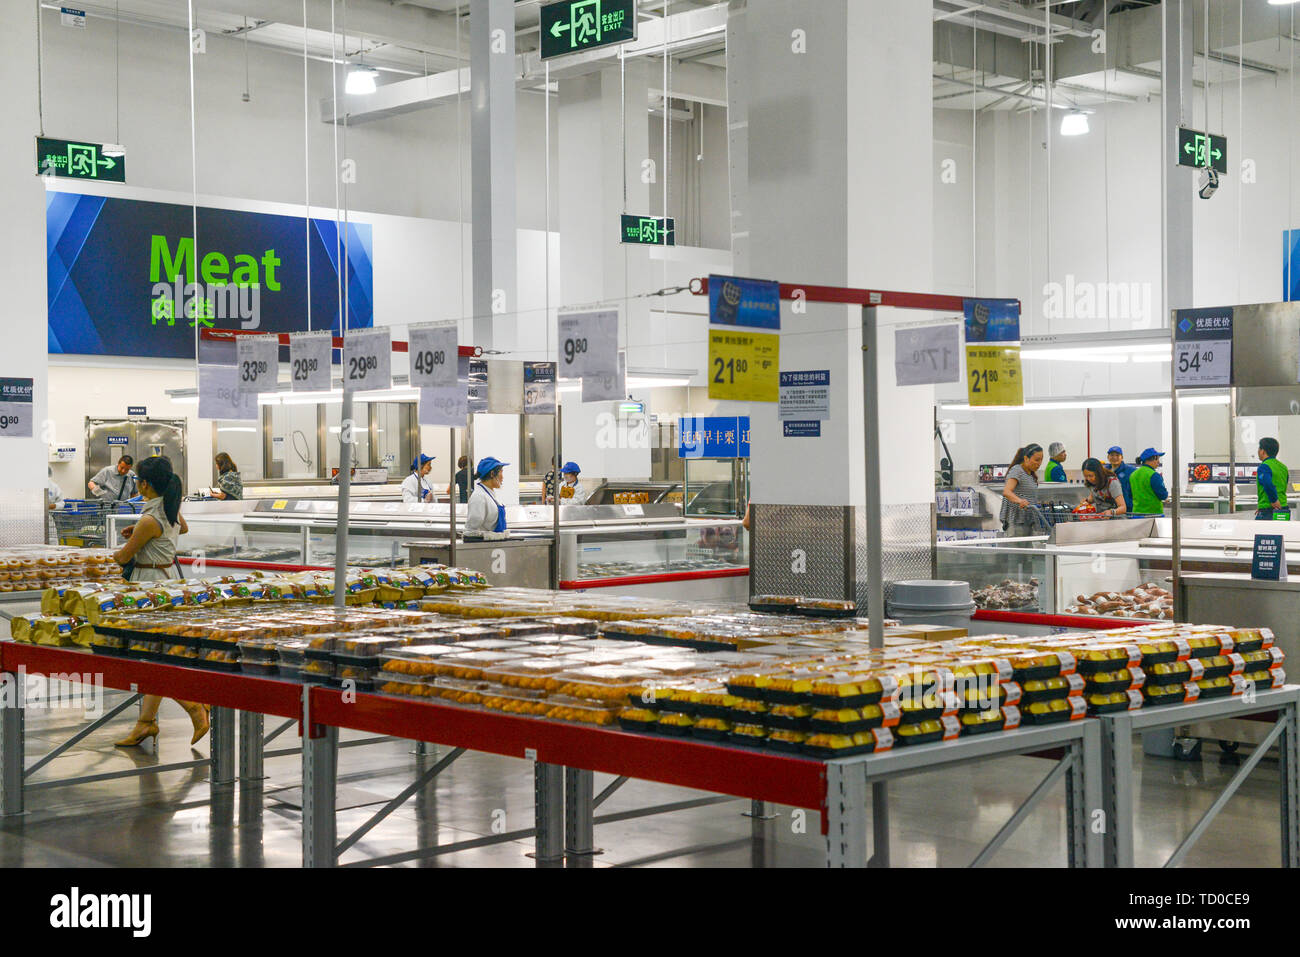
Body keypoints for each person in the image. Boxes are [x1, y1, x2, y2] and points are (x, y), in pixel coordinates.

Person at [110, 456, 209, 749]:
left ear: (144, 484)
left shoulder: (150, 518)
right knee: (154, 655)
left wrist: (131, 540)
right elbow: (182, 528)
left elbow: (122, 557)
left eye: (138, 480)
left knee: (149, 656)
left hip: (147, 587)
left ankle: (194, 706)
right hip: (165, 583)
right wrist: (144, 536)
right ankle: (146, 723)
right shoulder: (168, 511)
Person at [999, 444, 1044, 537]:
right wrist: (1020, 501)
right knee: (1017, 551)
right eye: (1036, 460)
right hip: (1016, 523)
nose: (1039, 463)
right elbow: (1007, 492)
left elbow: (1026, 495)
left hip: (1028, 522)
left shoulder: (1031, 475)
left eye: (1041, 460)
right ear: (1026, 458)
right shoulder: (1017, 470)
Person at [464, 457, 510, 541]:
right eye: (501, 472)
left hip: (496, 546)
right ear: (492, 474)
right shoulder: (479, 497)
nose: (502, 477)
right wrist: (491, 536)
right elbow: (471, 532)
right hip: (485, 548)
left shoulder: (490, 494)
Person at [1256, 437, 1290, 521]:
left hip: (1270, 510)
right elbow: (1282, 486)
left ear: (1262, 451)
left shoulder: (1264, 467)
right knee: (1281, 532)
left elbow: (1268, 484)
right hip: (1283, 508)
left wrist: (1273, 501)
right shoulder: (1283, 467)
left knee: (1263, 533)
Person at [1129, 448, 1169, 515]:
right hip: (1152, 514)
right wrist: (1166, 496)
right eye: (1157, 459)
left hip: (1136, 513)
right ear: (1151, 459)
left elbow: (1130, 494)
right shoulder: (1154, 475)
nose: (1158, 462)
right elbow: (1162, 495)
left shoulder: (1133, 475)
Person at [1106, 446, 1135, 512]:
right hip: (1109, 508)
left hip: (1127, 508)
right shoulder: (1105, 470)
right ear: (1108, 457)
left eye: (1117, 455)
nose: (1114, 457)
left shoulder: (1130, 470)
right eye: (1112, 455)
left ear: (1122, 457)